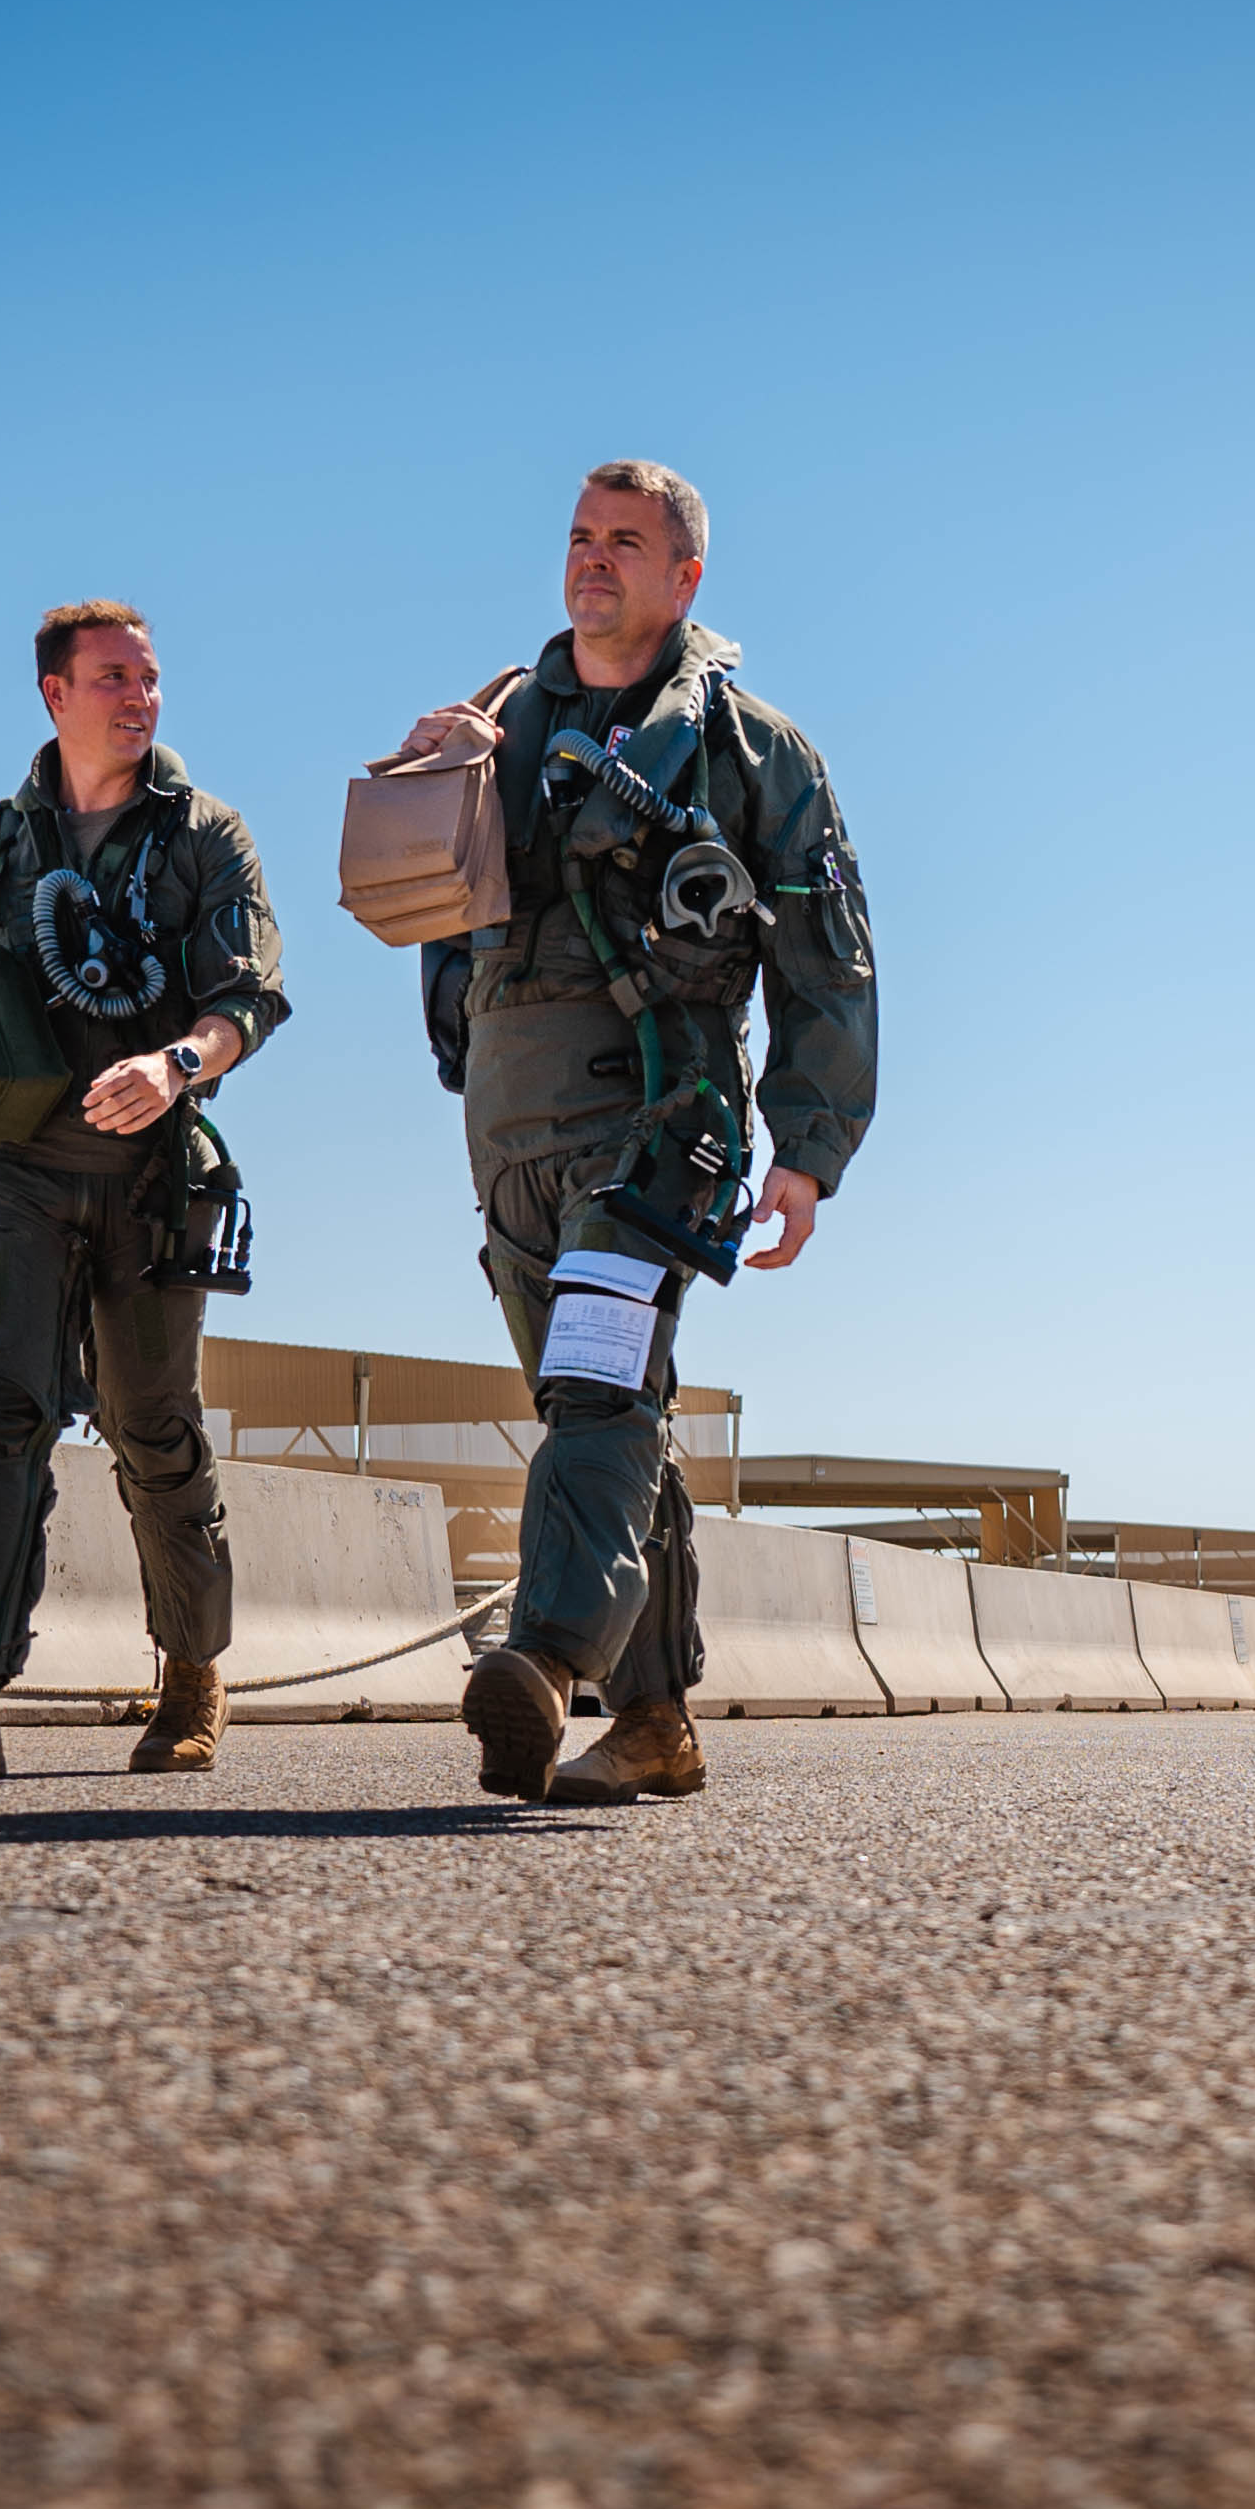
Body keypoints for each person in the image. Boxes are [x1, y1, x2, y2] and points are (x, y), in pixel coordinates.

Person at [383, 462, 876, 1806]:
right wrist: (432, 779)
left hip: (663, 1110)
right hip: (508, 1122)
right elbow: (425, 913)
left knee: (598, 1390)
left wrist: (807, 1145)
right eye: (580, 538)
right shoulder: (489, 725)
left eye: (626, 543)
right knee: (611, 1414)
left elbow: (826, 961)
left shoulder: (751, 752)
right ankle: (656, 1721)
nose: (593, 561)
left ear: (684, 577)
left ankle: (542, 1662)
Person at [0, 600, 289, 1780]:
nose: (139, 697)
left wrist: (176, 1066)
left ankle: (194, 1676)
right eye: (114, 678)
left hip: (150, 1179)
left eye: (150, 678)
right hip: (13, 1170)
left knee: (154, 1432)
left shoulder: (209, 835)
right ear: (56, 695)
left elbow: (248, 998)